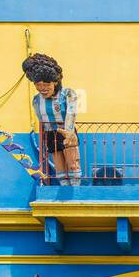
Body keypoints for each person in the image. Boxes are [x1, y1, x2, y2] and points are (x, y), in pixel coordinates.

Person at [22, 53, 81, 186]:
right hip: (50, 134)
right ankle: (64, 191)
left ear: (55, 81)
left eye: (46, 84)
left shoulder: (68, 93)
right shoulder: (36, 100)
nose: (42, 88)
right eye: (38, 84)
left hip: (66, 131)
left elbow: (72, 113)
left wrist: (69, 132)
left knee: (73, 165)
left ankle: (75, 193)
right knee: (60, 169)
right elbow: (41, 120)